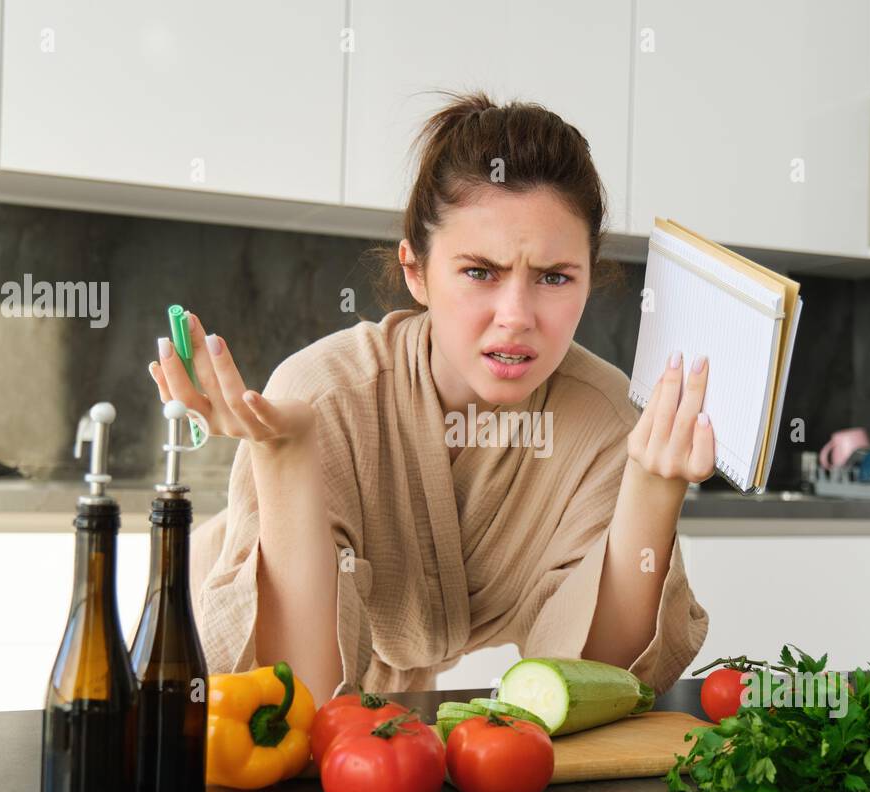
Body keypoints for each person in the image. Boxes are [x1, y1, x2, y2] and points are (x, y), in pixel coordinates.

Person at [149, 91, 713, 703]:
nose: (517, 317)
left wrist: (655, 490)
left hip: (394, 701)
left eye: (554, 277)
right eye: (479, 272)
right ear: (416, 272)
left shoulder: (603, 422)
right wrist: (288, 455)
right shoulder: (325, 395)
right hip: (201, 663)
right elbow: (294, 697)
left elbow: (593, 684)